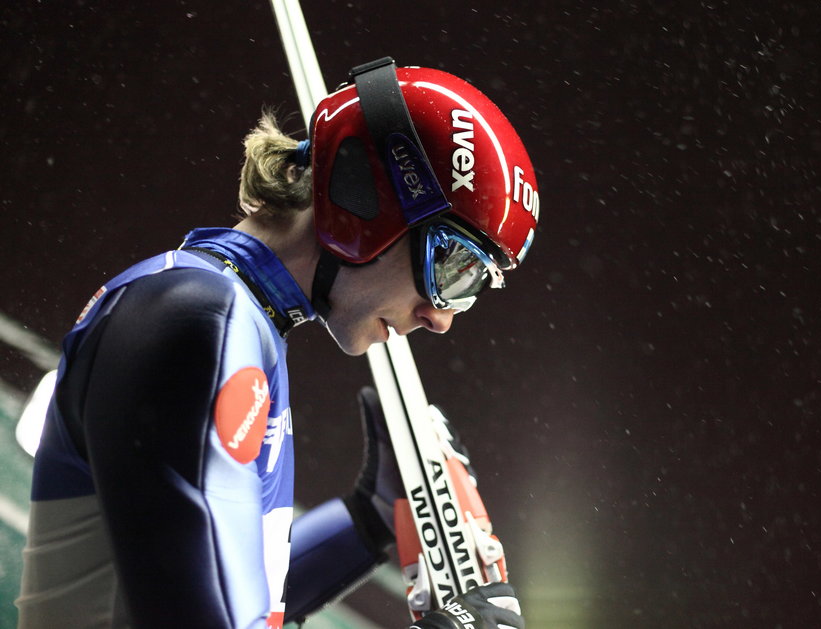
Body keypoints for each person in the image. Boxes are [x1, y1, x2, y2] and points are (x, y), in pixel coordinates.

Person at [15, 58, 540, 629]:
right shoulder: (200, 320)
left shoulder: (236, 321)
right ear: (370, 203)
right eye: (453, 267)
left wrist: (366, 518)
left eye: (470, 289)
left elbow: (239, 594)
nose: (441, 317)